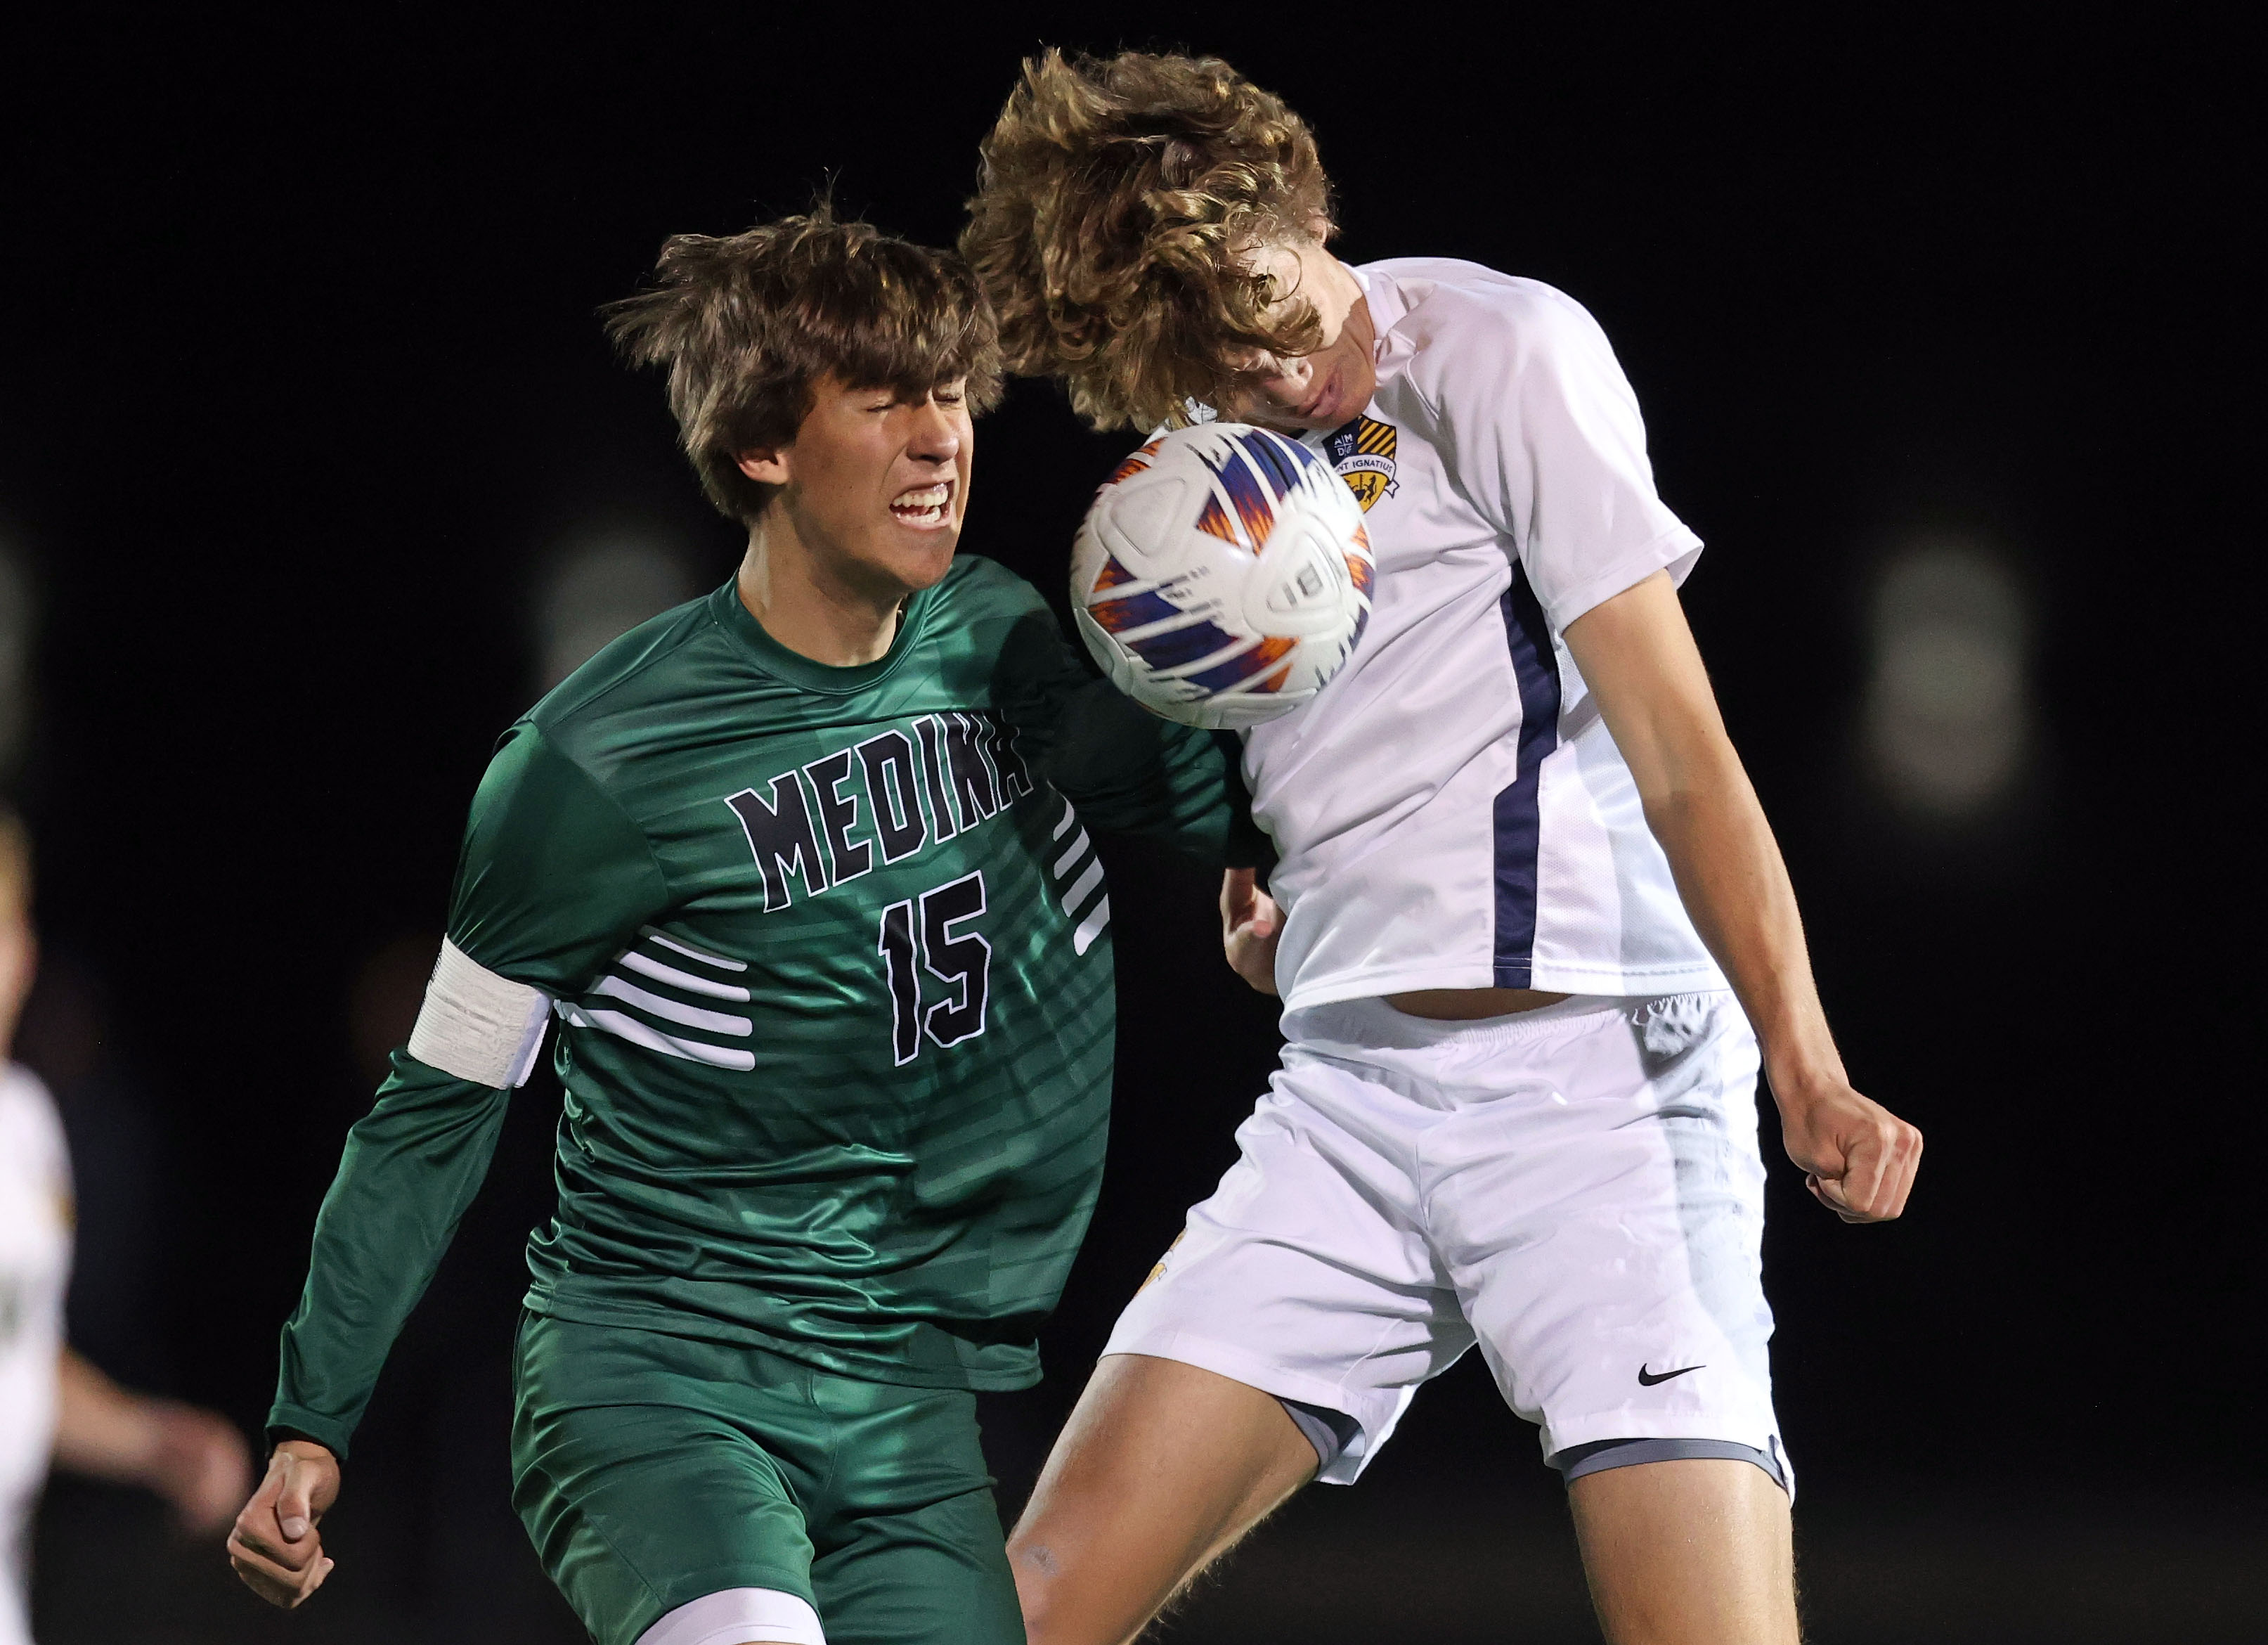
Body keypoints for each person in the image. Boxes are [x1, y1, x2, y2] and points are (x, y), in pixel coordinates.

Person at [961, 50, 1925, 1645]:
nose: (1274, 379)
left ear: (1311, 203)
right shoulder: (1211, 451)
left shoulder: (1501, 352)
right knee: (1024, 1610)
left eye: (1274, 313)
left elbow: (1686, 758)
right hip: (1344, 1106)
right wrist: (1283, 880)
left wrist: (1804, 1063)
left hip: (1597, 1094)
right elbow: (1335, 711)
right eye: (1218, 361)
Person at [223, 207, 1233, 1645]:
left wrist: (1347, 540)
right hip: (660, 1377)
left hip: (901, 1396)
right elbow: (436, 1107)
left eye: (950, 394)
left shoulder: (998, 640)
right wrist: (315, 1414)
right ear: (762, 447)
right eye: (885, 402)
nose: (939, 437)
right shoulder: (593, 765)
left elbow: (1206, 793)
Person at [0, 810, 250, 1645]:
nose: (14, 958)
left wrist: (149, 1442)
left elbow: (19, 1358)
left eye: (15, 923)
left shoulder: (25, 1127)